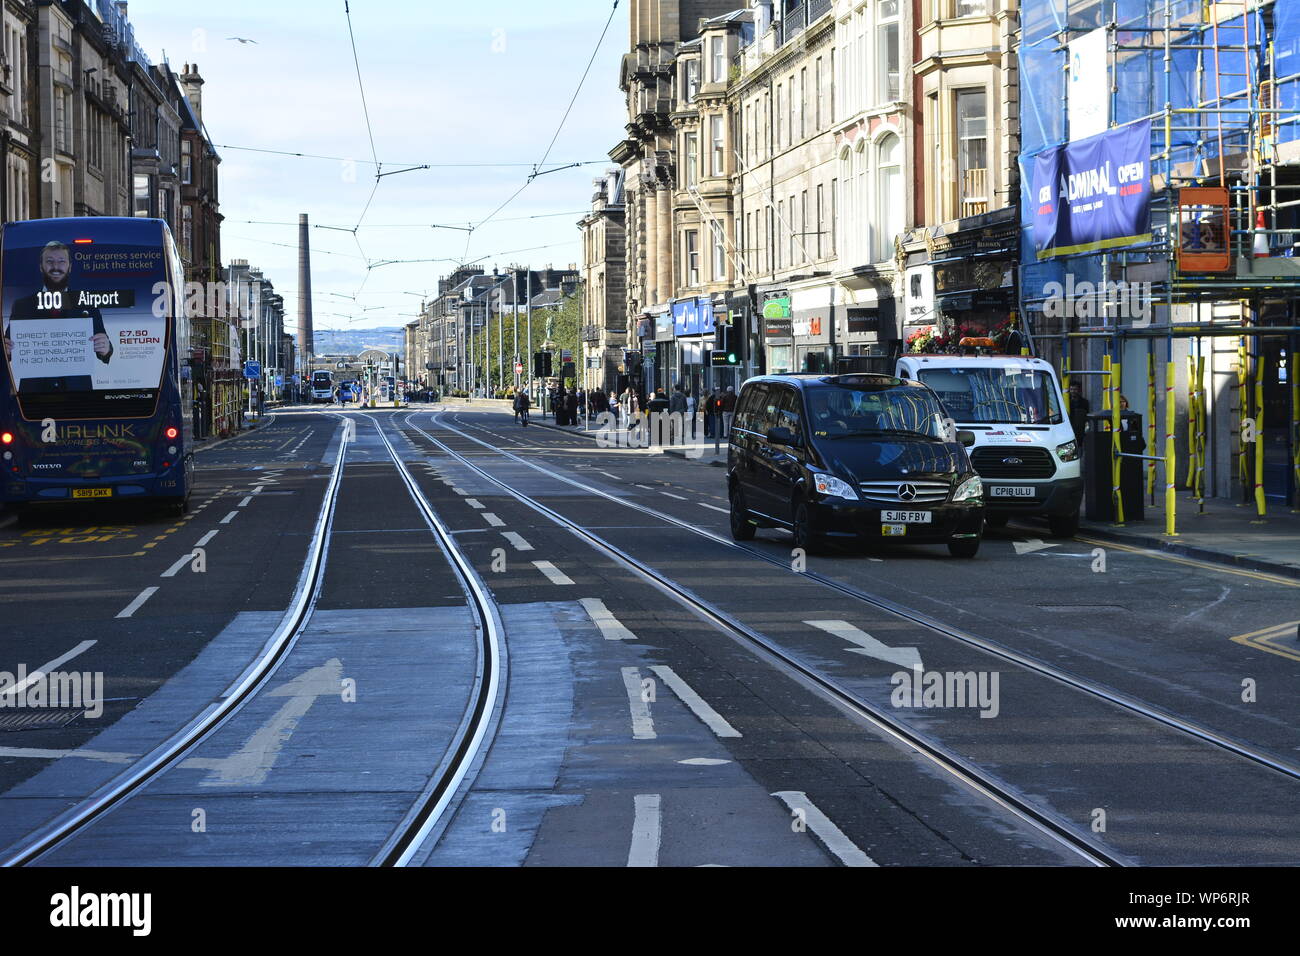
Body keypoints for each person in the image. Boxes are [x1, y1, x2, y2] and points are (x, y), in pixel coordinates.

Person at [5, 240, 114, 393]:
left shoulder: (87, 303)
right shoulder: (22, 305)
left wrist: (106, 348)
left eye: (61, 261)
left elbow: (105, 347)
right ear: (41, 267)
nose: (56, 267)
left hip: (78, 393)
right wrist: (6, 349)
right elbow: (7, 349)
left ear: (70, 267)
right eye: (49, 262)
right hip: (34, 394)